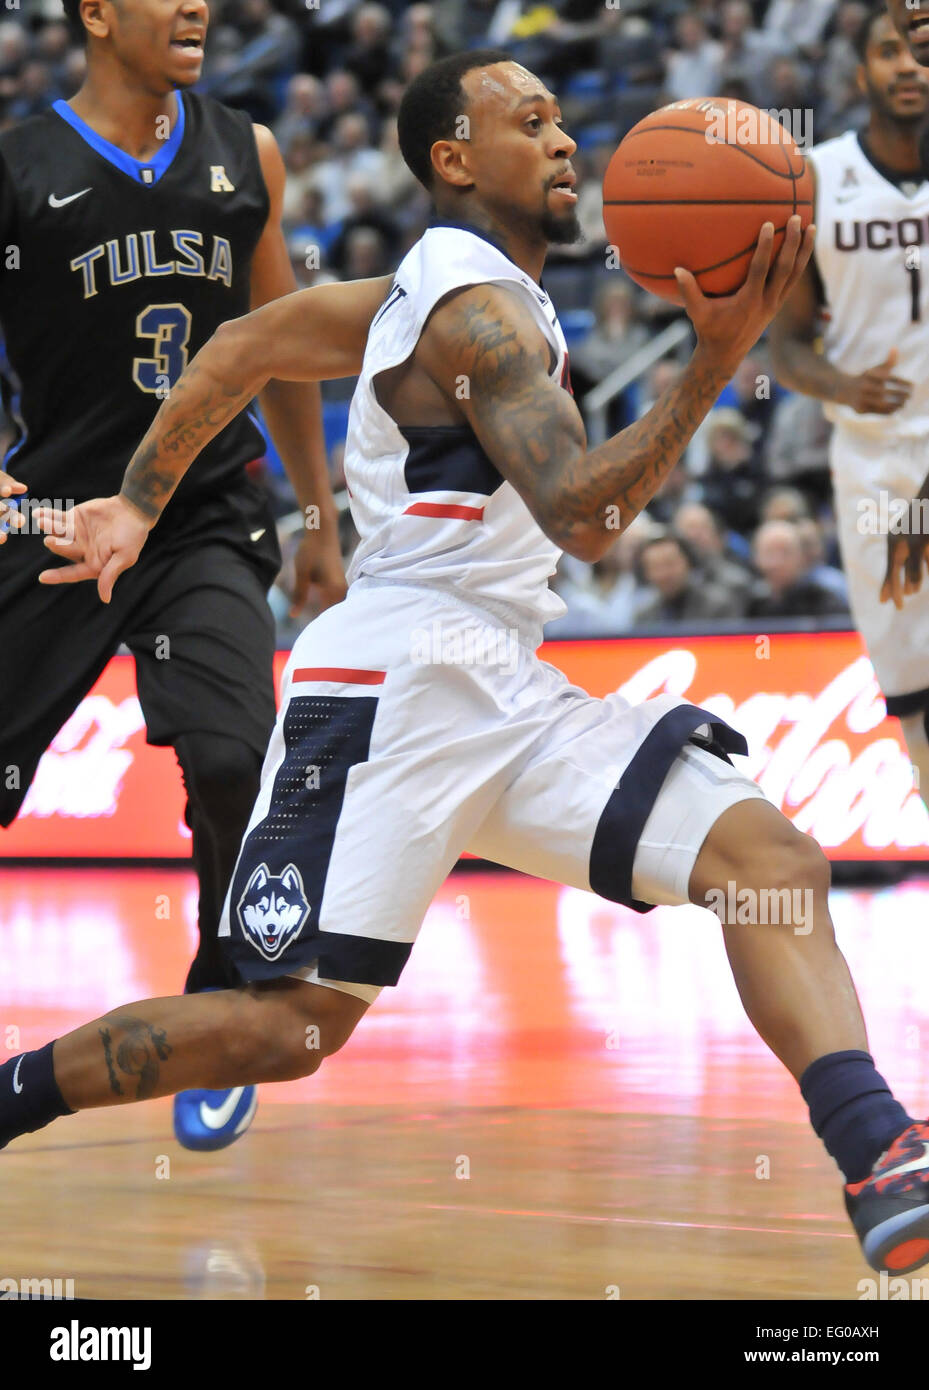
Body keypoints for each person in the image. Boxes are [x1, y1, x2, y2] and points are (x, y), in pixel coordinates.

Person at [8, 50, 929, 1278]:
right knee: (283, 1035)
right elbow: (584, 516)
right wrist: (713, 356)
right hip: (388, 693)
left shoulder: (425, 286)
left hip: (496, 677)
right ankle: (15, 1090)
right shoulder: (472, 311)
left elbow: (240, 345)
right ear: (452, 158)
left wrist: (133, 499)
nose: (564, 142)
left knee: (764, 859)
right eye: (530, 120)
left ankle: (878, 1157)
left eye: (563, 118)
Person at [0, 0, 345, 1152]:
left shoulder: (243, 150)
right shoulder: (18, 163)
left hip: (201, 517)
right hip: (58, 518)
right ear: (96, 13)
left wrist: (314, 514)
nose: (196, 4)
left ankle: (219, 995)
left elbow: (281, 337)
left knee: (236, 756)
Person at [770, 5, 929, 799]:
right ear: (859, 69)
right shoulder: (816, 179)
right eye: (887, 50)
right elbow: (786, 348)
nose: (906, 66)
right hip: (874, 460)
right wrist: (840, 385)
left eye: (919, 51)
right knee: (915, 699)